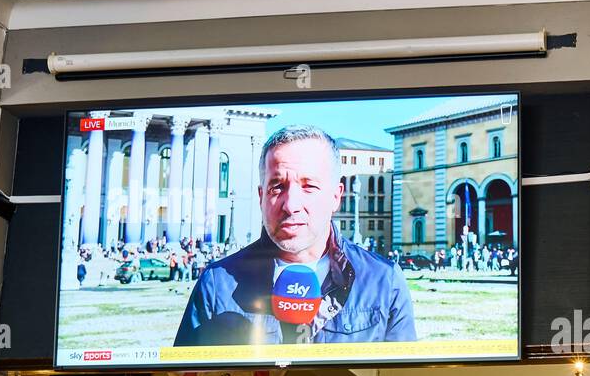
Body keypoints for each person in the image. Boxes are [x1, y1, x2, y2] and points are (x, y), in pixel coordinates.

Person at [174, 125, 416, 347]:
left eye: (309, 186)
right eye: (277, 186)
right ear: (261, 197)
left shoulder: (384, 281)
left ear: (336, 196)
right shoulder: (217, 284)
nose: (291, 205)